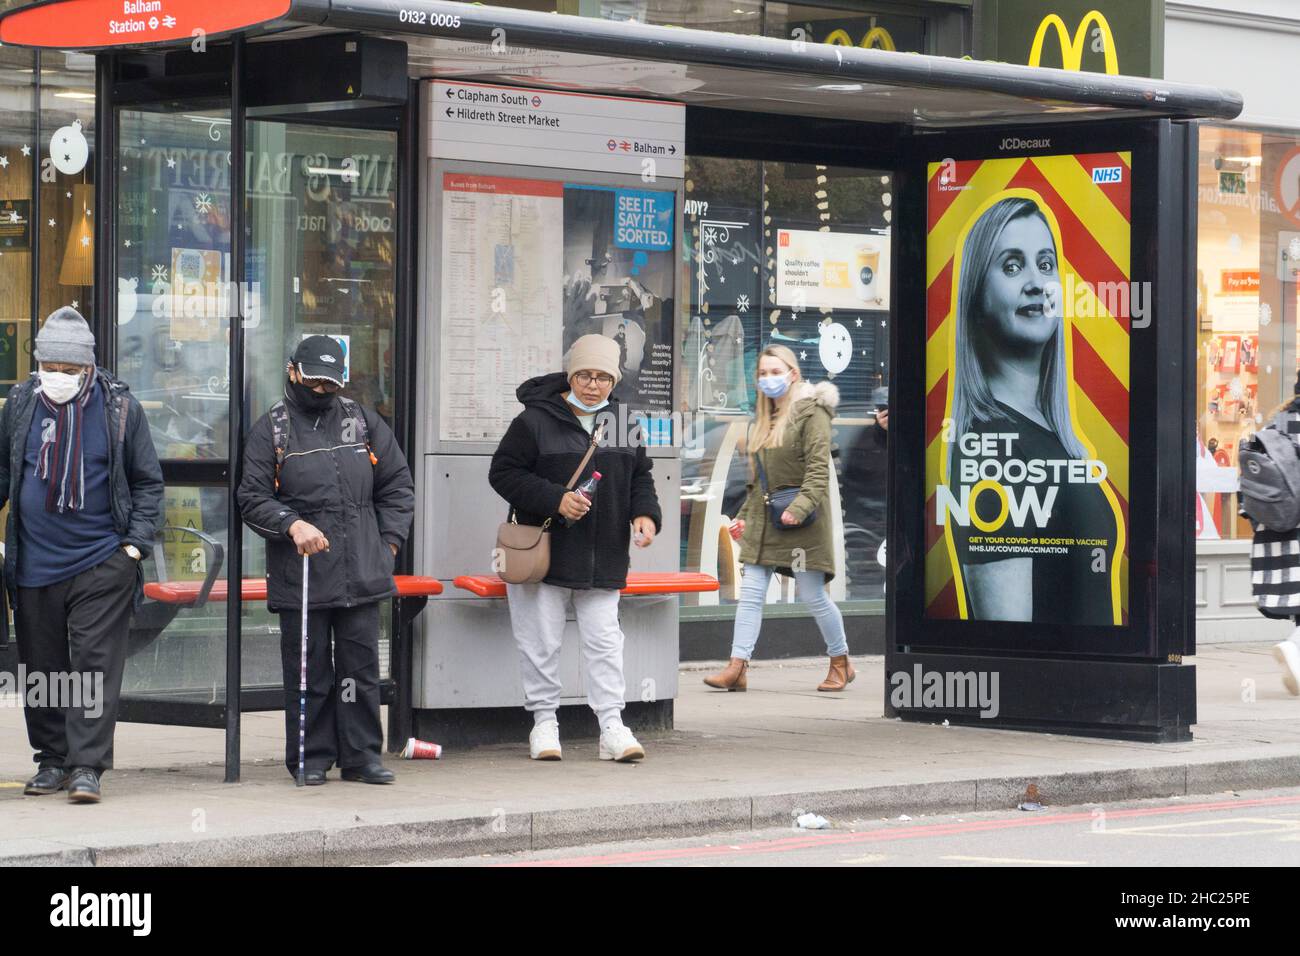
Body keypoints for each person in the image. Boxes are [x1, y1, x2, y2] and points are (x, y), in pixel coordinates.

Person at [0, 307, 164, 803]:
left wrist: (133, 548)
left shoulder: (119, 409)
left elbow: (147, 483)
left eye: (68, 372)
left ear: (88, 369)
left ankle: (87, 766)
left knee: (93, 667)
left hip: (101, 560)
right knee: (42, 668)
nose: (57, 379)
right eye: (49, 368)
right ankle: (51, 761)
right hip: (33, 562)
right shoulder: (21, 403)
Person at [237, 335, 414, 786]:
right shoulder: (271, 429)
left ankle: (361, 757)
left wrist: (388, 543)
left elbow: (396, 485)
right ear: (293, 372)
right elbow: (251, 497)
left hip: (362, 570)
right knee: (308, 670)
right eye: (313, 381)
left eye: (330, 384)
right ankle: (310, 757)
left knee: (360, 670)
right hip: (303, 574)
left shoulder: (362, 421)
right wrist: (291, 524)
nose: (321, 391)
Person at [944, 196, 1118, 624]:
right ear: (976, 296)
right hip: (1055, 688)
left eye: (1045, 264)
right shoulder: (990, 446)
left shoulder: (1049, 432)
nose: (1037, 283)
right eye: (1010, 266)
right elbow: (1006, 637)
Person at [489, 333, 661, 763]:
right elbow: (503, 473)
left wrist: (646, 514)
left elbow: (641, 476)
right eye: (584, 374)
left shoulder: (624, 421)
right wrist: (554, 498)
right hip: (545, 553)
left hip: (603, 554)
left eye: (603, 377)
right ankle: (544, 723)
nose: (593, 384)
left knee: (606, 643)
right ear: (571, 375)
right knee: (541, 642)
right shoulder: (533, 421)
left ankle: (612, 727)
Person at [703, 345, 851, 693]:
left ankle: (840, 661)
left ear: (793, 374)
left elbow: (818, 472)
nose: (768, 379)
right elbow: (758, 484)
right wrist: (743, 518)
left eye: (775, 371)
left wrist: (796, 510)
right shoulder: (762, 419)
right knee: (752, 592)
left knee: (813, 594)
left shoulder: (812, 413)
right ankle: (737, 666)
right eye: (763, 373)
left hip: (805, 519)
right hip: (768, 520)